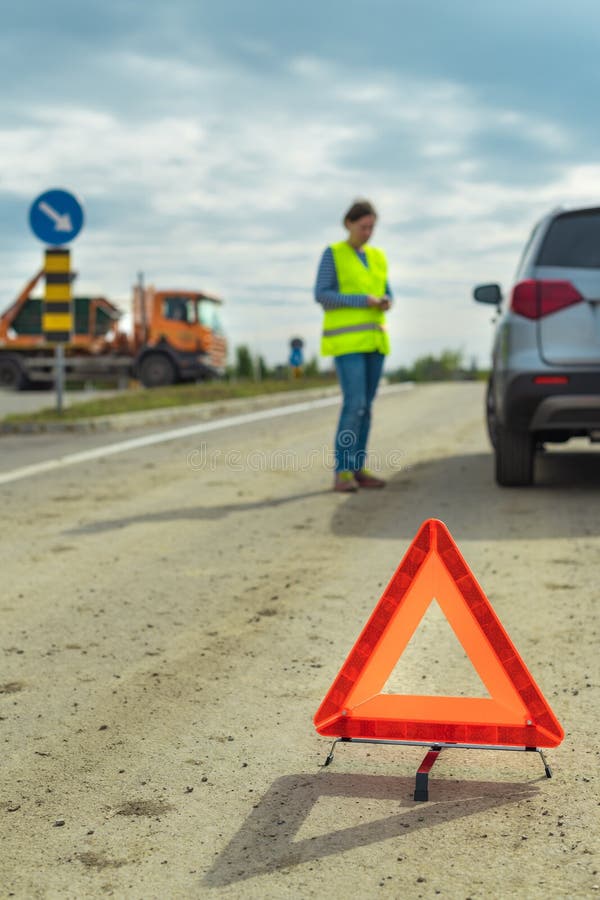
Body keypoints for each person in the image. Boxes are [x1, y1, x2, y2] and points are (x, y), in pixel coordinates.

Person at [314, 199, 392, 492]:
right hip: (347, 343)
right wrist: (363, 301)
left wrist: (386, 301)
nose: (368, 232)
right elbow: (322, 294)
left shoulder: (378, 257)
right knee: (354, 404)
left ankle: (358, 468)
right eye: (363, 227)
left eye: (372, 227)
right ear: (349, 223)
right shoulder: (333, 254)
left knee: (367, 407)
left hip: (375, 341)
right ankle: (343, 471)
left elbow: (386, 290)